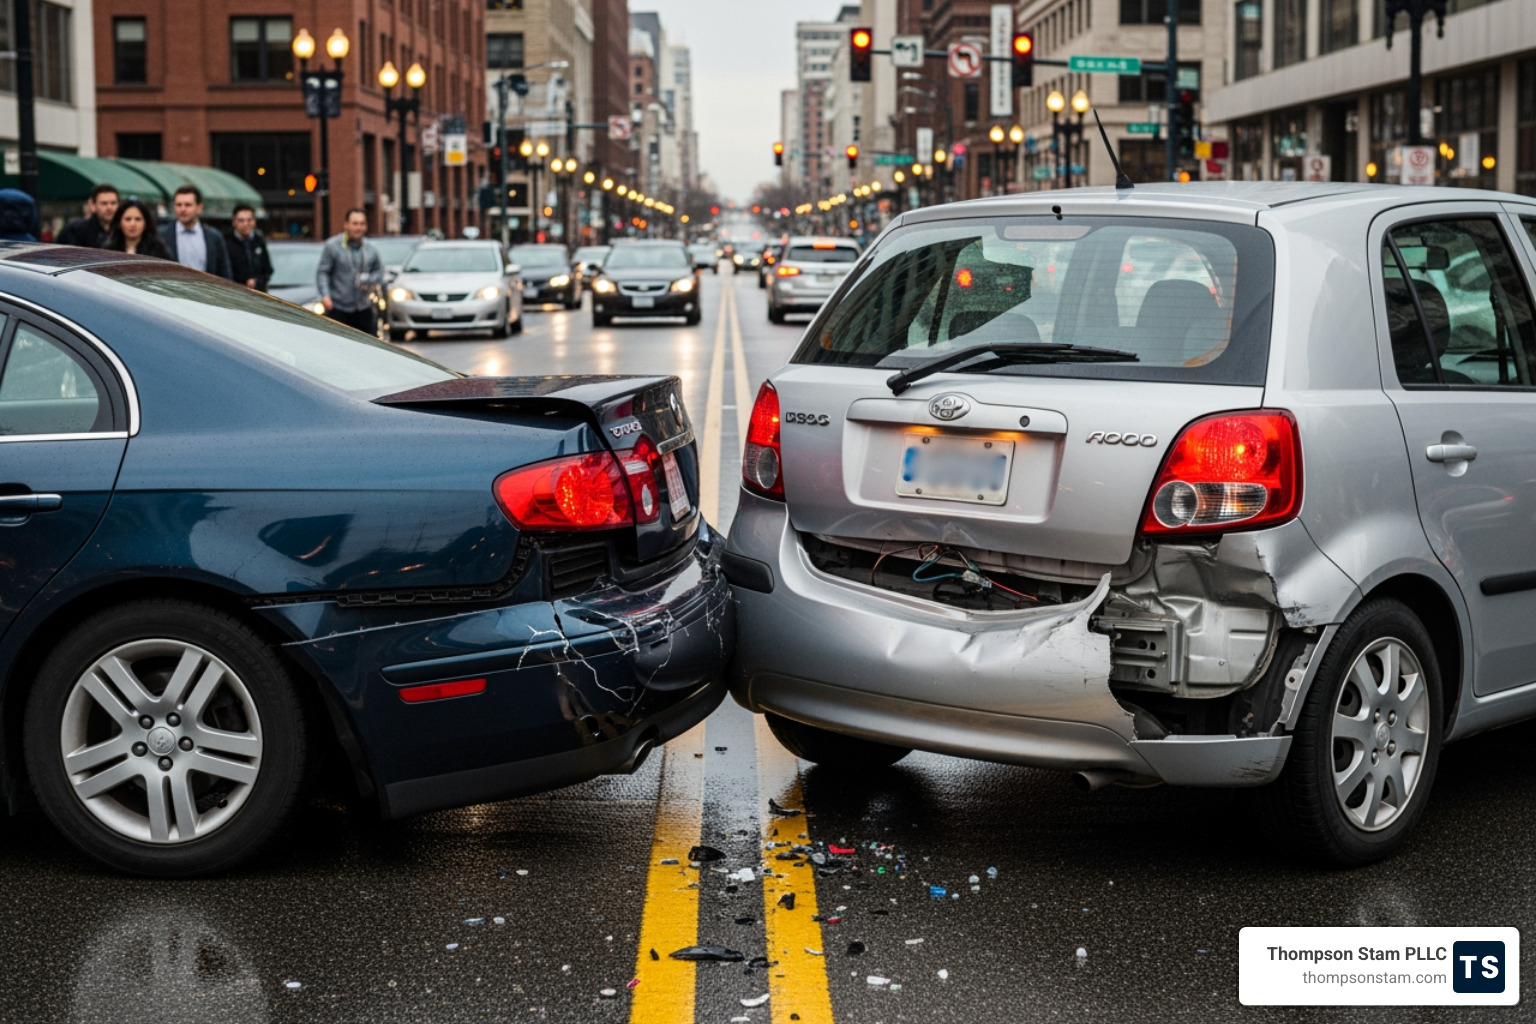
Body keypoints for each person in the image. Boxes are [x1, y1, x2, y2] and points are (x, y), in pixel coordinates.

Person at [316, 208, 384, 335]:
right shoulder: (332, 246)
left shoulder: (371, 248)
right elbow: (323, 272)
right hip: (339, 307)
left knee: (368, 347)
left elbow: (379, 271)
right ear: (346, 225)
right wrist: (325, 295)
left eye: (362, 224)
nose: (358, 228)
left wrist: (369, 280)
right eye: (355, 223)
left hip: (363, 305)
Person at [159, 185, 232, 278]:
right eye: (178, 205)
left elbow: (225, 273)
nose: (182, 209)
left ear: (199, 208)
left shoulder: (214, 237)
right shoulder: (162, 235)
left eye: (188, 205)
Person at [226, 204, 274, 291]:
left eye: (249, 220)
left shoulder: (259, 242)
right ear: (234, 222)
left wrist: (257, 282)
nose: (245, 224)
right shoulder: (226, 243)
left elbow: (267, 270)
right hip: (234, 293)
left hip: (257, 294)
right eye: (241, 220)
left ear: (254, 222)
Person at [55, 184, 120, 248]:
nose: (109, 207)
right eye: (104, 203)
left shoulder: (122, 230)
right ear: (93, 206)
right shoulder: (76, 230)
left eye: (113, 203)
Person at [104, 200, 172, 259]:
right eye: (128, 219)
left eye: (138, 219)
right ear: (119, 223)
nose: (133, 224)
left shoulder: (158, 250)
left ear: (146, 223)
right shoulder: (109, 251)